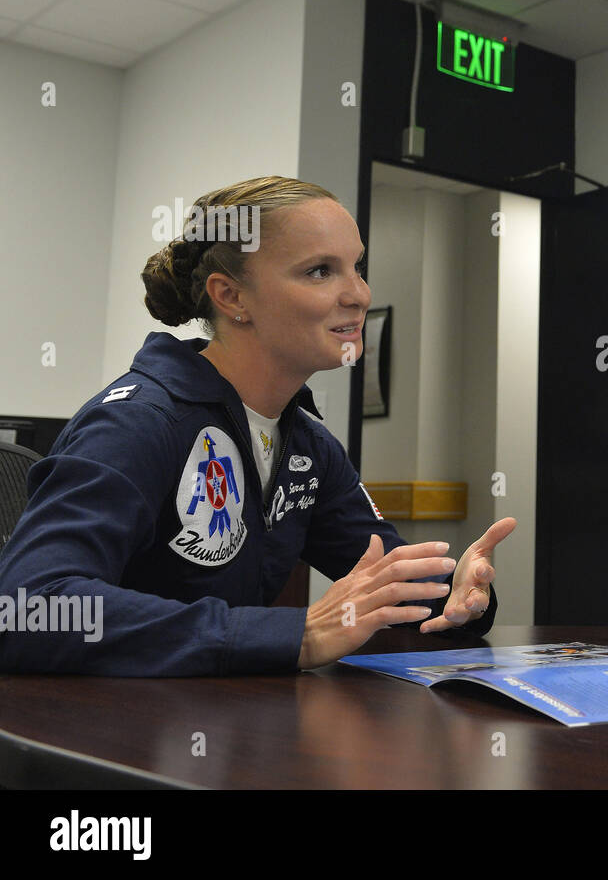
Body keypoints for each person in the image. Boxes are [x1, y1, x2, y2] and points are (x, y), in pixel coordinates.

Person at [0, 176, 514, 676]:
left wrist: (460, 595)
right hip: (109, 740)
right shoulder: (137, 421)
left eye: (357, 267)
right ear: (231, 297)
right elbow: (28, 609)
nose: (358, 293)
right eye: (319, 271)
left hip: (228, 733)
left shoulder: (307, 446)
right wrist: (298, 633)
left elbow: (388, 581)